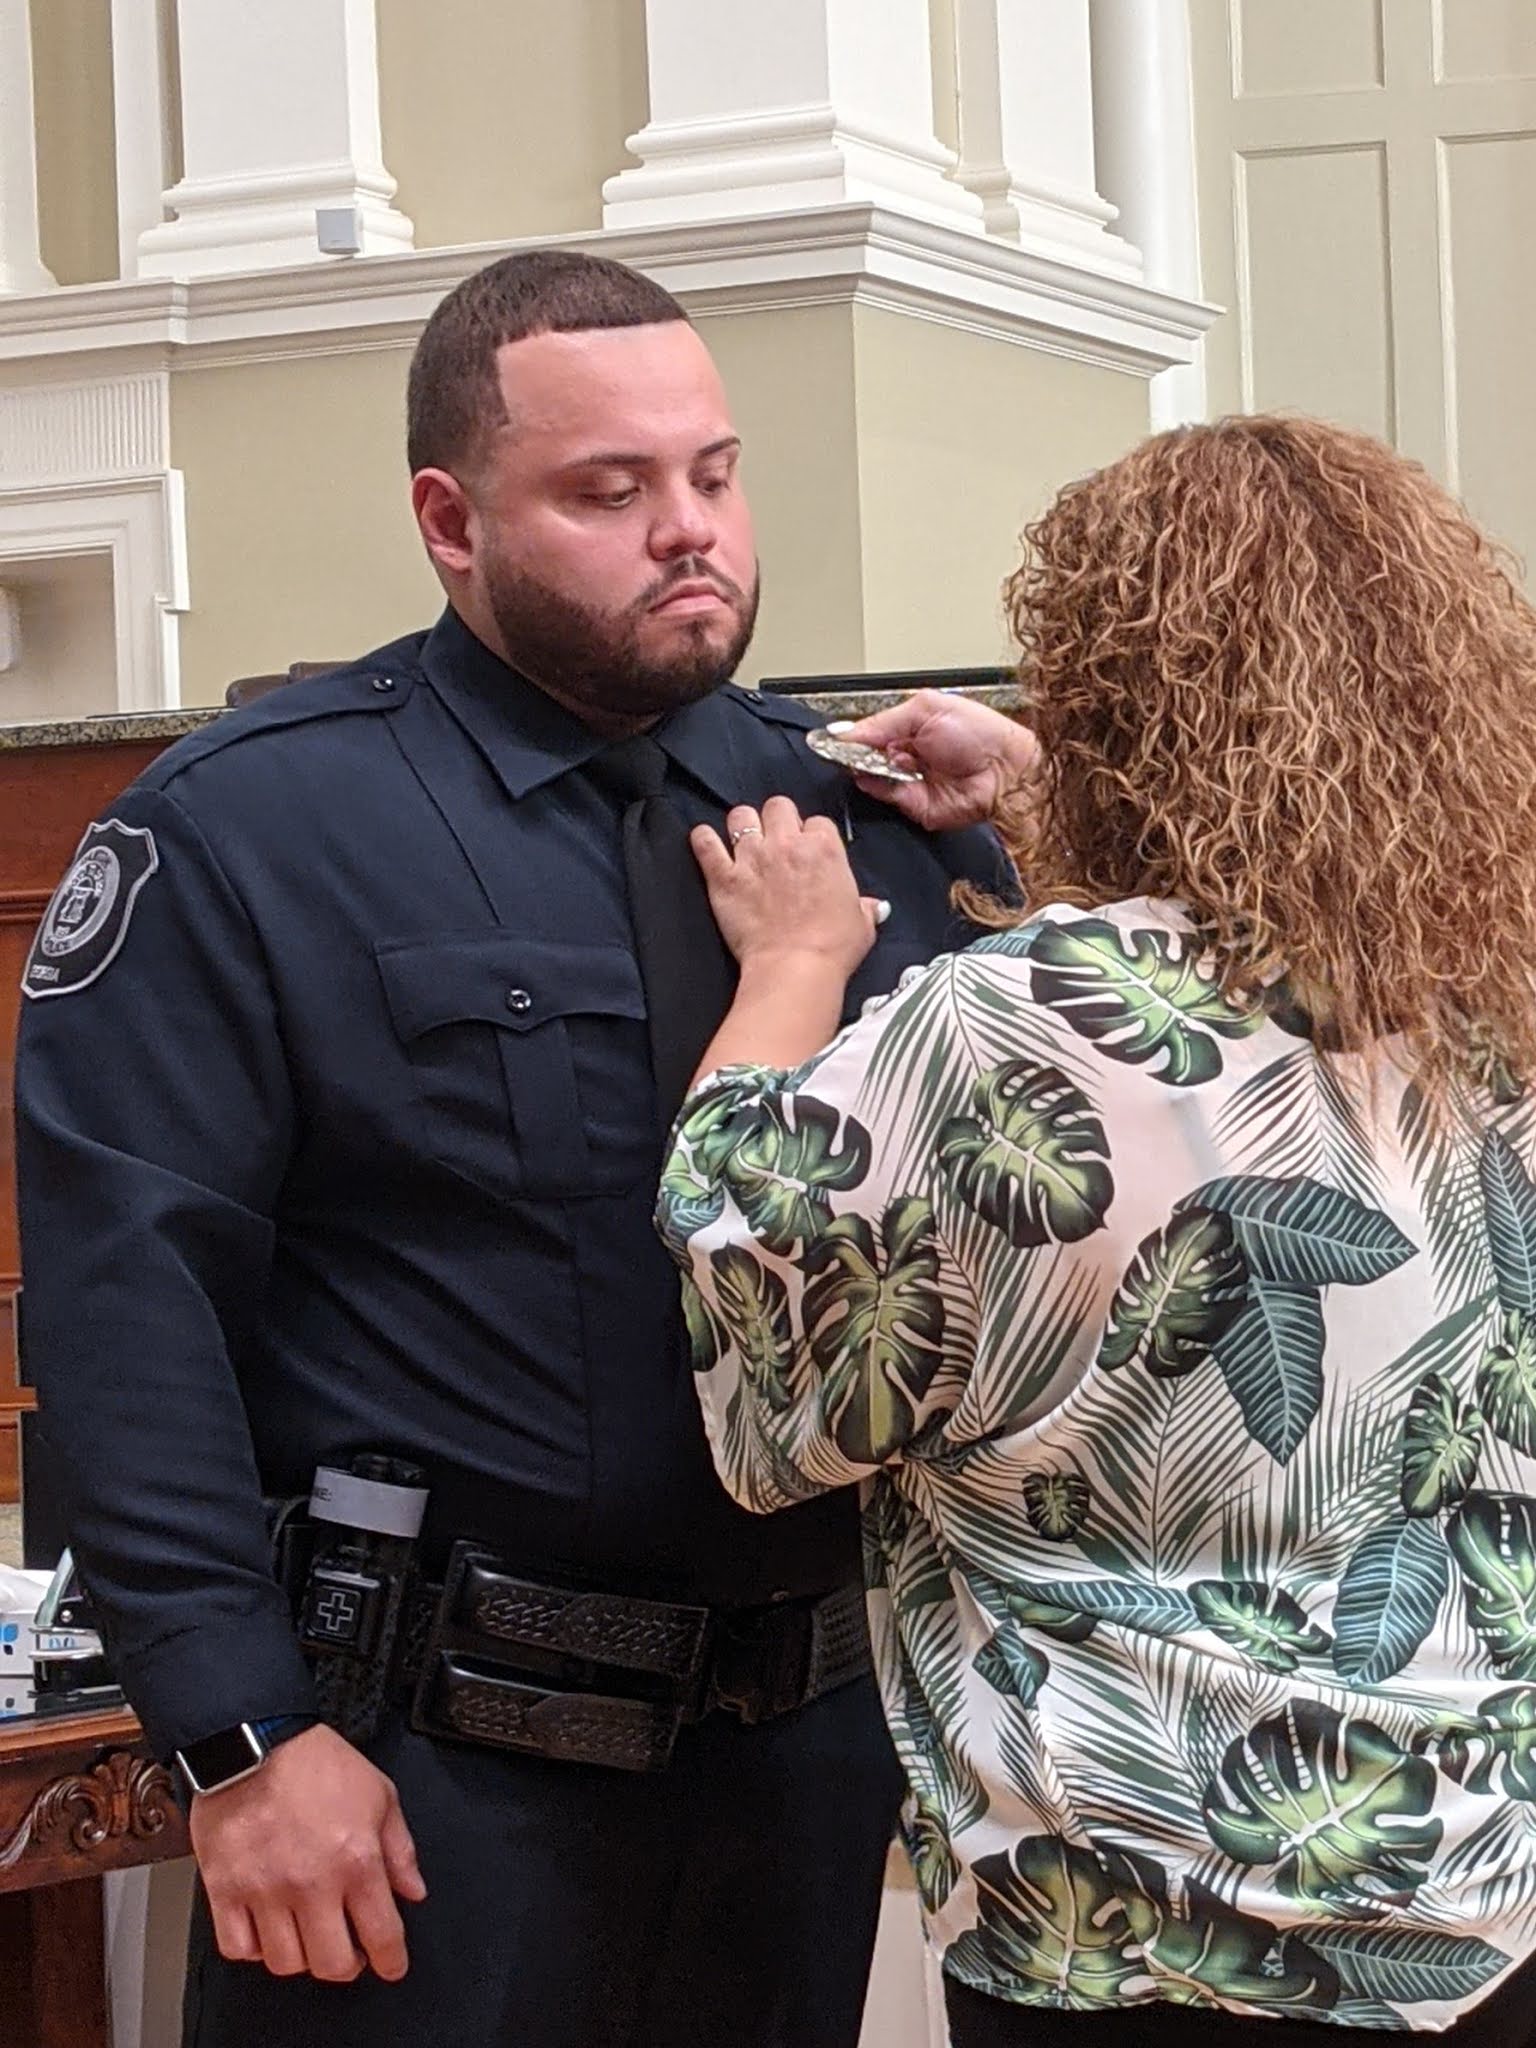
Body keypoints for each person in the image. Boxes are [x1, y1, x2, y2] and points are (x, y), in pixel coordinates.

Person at [12, 249, 1007, 2048]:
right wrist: (240, 1742)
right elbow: (124, 1315)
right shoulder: (254, 829)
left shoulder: (868, 824)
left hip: (798, 1764)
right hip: (417, 1783)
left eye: (711, 473)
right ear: (449, 520)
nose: (686, 531)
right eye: (608, 493)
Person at [659, 415, 1536, 2047]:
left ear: (1109, 691)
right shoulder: (1490, 995)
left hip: (1144, 1934)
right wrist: (1058, 802)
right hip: (1473, 1892)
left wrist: (787, 974)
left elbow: (762, 1304)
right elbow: (1238, 953)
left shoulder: (1003, 1028)